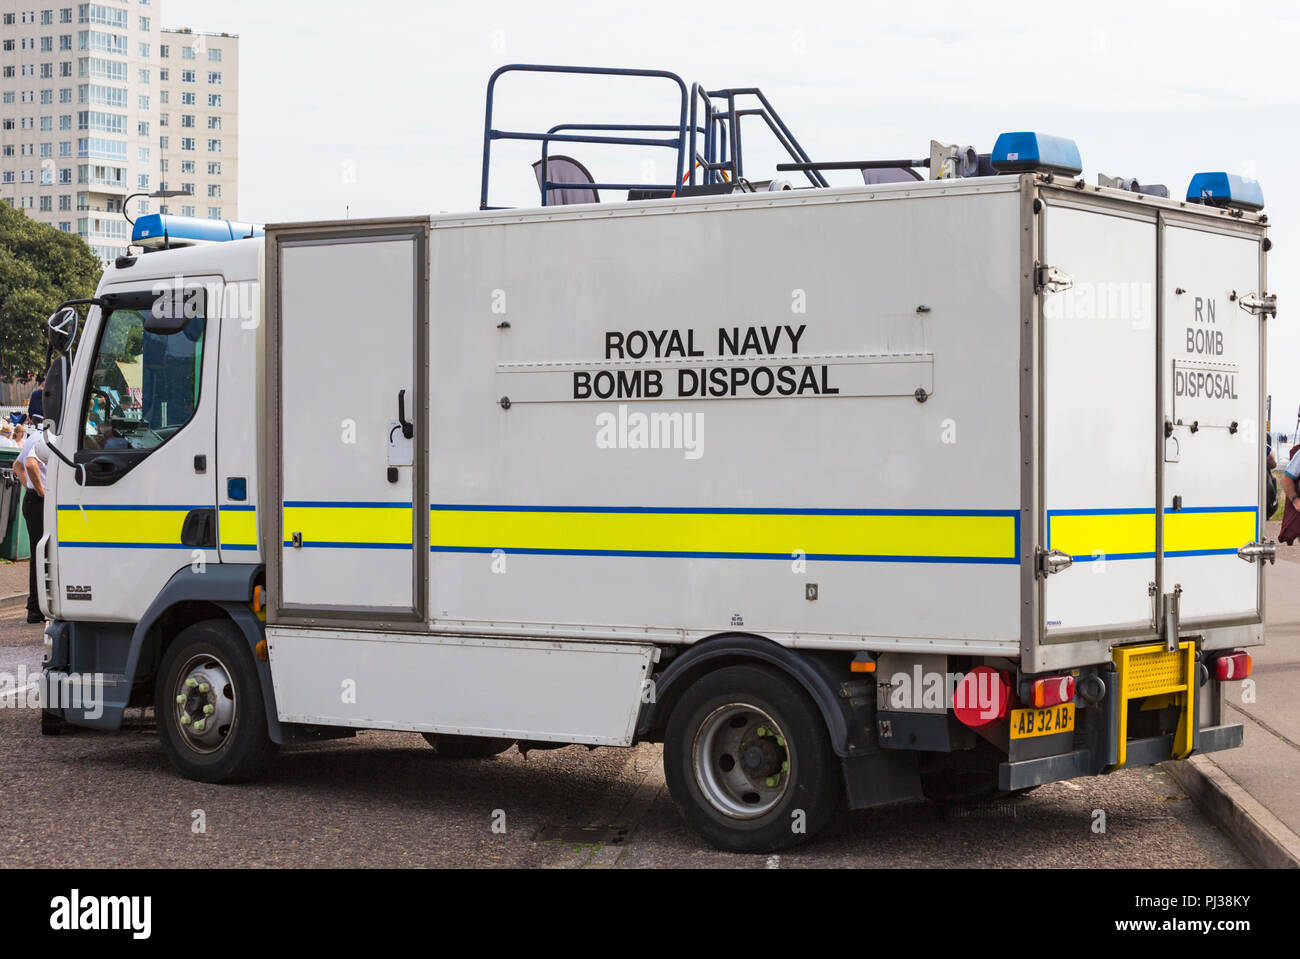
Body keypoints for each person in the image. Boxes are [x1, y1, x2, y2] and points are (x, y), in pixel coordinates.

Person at [15, 425, 47, 624]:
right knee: (42, 554)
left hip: (33, 499)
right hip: (40, 501)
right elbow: (29, 464)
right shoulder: (43, 437)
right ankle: (36, 608)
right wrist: (42, 491)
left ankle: (36, 607)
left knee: (40, 554)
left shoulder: (34, 435)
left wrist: (31, 488)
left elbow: (16, 466)